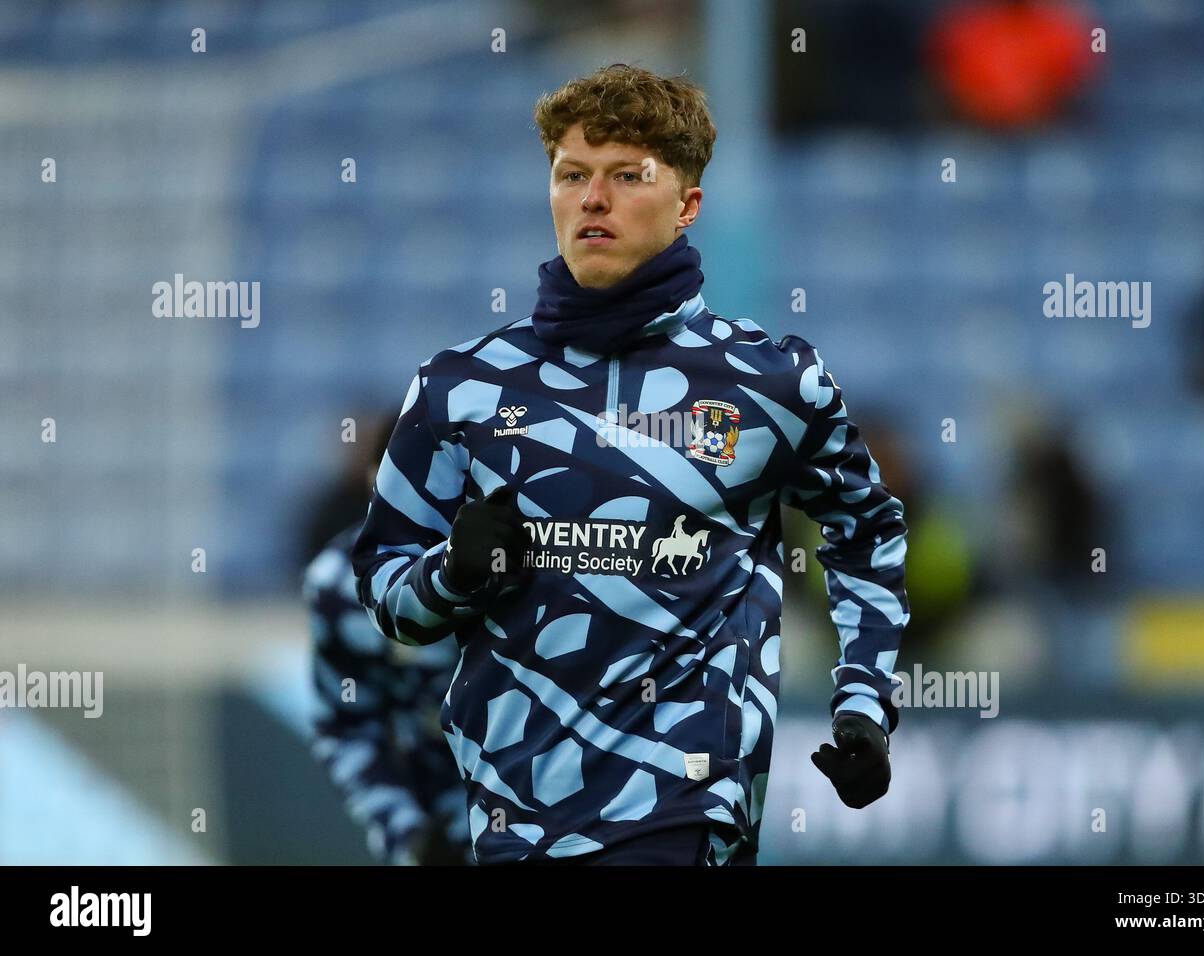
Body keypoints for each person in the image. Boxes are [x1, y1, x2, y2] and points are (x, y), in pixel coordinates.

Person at [351, 64, 910, 866]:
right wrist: (452, 574)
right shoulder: (461, 388)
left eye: (625, 176)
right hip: (513, 810)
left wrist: (863, 702)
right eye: (572, 174)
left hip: (681, 800)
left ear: (687, 206)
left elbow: (868, 534)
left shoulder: (774, 382)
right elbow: (389, 592)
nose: (592, 199)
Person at [306, 414, 472, 865]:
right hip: (425, 832)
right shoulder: (336, 584)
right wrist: (407, 832)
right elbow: (347, 726)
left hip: (524, 827)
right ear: (371, 479)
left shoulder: (513, 570)